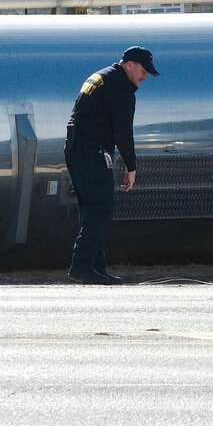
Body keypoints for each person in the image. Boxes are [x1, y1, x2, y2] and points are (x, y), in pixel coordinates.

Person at [64, 46, 158, 285]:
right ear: (129, 65)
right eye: (143, 70)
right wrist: (131, 167)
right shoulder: (121, 87)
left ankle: (96, 268)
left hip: (76, 149)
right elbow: (123, 131)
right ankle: (82, 266)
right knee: (101, 209)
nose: (145, 76)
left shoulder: (100, 76)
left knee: (91, 210)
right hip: (92, 152)